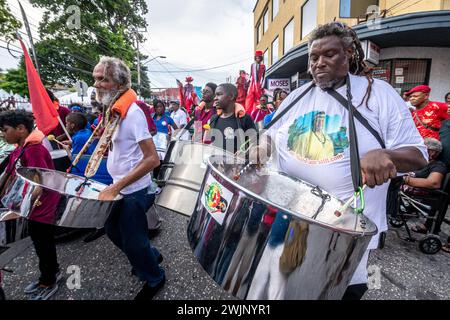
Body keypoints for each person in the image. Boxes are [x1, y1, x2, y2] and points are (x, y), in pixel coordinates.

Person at [253, 22, 427, 300]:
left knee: (333, 292)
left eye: (329, 55)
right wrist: (261, 145)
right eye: (313, 57)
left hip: (342, 231)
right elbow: (271, 136)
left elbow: (418, 154)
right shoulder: (297, 97)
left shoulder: (378, 93)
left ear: (350, 54)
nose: (319, 63)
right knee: (279, 288)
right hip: (288, 219)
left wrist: (387, 155)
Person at [92, 57, 165, 300]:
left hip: (134, 190)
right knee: (113, 231)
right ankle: (150, 257)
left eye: (103, 79)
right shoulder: (113, 110)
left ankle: (155, 277)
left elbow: (153, 159)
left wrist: (118, 186)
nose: (97, 84)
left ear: (119, 83)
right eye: (95, 78)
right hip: (119, 188)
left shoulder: (133, 113)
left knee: (134, 241)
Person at [0, 110, 61, 300]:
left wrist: (19, 207)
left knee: (44, 245)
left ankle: (49, 280)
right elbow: (9, 176)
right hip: (30, 207)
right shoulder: (20, 149)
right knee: (39, 243)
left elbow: (39, 184)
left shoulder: (35, 149)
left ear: (21, 129)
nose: (2, 134)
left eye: (4, 130)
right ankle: (50, 273)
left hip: (41, 207)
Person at [402, 138, 448, 234]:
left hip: (422, 194)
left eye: (424, 149)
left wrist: (405, 180)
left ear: (433, 153)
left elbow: (434, 183)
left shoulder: (438, 166)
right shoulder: (421, 162)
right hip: (404, 189)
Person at [209, 83, 257, 154]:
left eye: (219, 94)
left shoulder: (244, 118)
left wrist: (245, 152)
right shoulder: (213, 119)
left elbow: (255, 142)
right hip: (217, 163)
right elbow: (213, 143)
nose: (215, 98)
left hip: (238, 164)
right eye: (215, 95)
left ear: (231, 96)